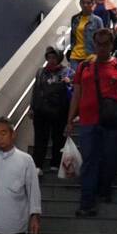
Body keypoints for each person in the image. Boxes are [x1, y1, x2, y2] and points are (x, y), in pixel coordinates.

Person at [66, 29, 117, 217]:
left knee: (110, 159)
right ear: (94, 44)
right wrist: (69, 120)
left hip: (112, 122)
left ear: (111, 45)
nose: (102, 47)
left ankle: (104, 189)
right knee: (89, 160)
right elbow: (77, 94)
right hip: (88, 121)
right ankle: (87, 202)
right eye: (98, 43)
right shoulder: (84, 67)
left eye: (105, 43)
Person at [31, 46, 73, 175]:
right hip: (41, 110)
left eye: (54, 57)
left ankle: (55, 163)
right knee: (40, 139)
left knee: (58, 137)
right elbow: (36, 90)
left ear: (59, 58)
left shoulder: (67, 72)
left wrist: (69, 83)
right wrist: (32, 107)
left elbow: (74, 90)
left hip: (59, 111)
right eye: (49, 57)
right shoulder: (40, 72)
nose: (51, 60)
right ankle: (38, 165)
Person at [68, 0, 104, 70]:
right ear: (80, 3)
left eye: (88, 3)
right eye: (83, 2)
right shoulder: (75, 19)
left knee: (88, 80)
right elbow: (73, 36)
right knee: (75, 80)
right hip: (75, 56)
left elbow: (102, 40)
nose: (85, 5)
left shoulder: (97, 20)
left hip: (90, 56)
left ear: (92, 4)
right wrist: (72, 49)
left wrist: (98, 55)